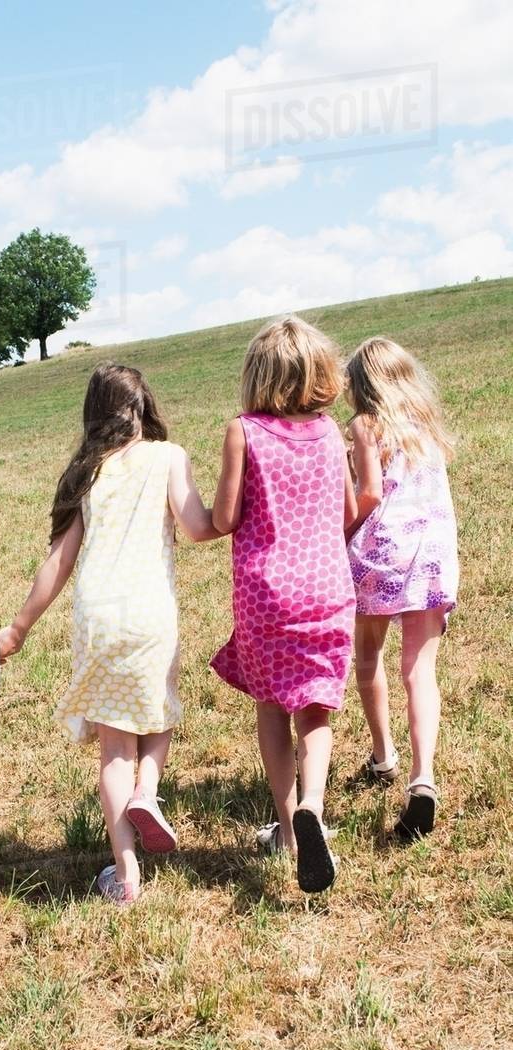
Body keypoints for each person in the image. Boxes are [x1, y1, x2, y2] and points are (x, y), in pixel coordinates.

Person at [0, 362, 217, 905]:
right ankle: (150, 791)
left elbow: (58, 563)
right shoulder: (168, 457)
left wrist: (18, 629)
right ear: (144, 409)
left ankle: (127, 875)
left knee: (114, 747)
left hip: (98, 616)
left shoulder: (87, 471)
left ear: (95, 415)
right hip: (150, 612)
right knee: (160, 713)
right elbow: (200, 527)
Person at [211, 316, 357, 893]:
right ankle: (313, 808)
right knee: (315, 708)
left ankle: (291, 831)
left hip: (265, 592)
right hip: (327, 587)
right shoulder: (328, 433)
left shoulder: (243, 431)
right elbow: (348, 511)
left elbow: (224, 518)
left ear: (259, 374)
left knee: (271, 707)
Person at [345, 337, 458, 839]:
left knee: (368, 657)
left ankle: (383, 754)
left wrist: (341, 529)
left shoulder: (367, 425)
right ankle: (423, 777)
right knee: (420, 669)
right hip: (432, 557)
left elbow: (369, 492)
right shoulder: (427, 428)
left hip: (380, 556)